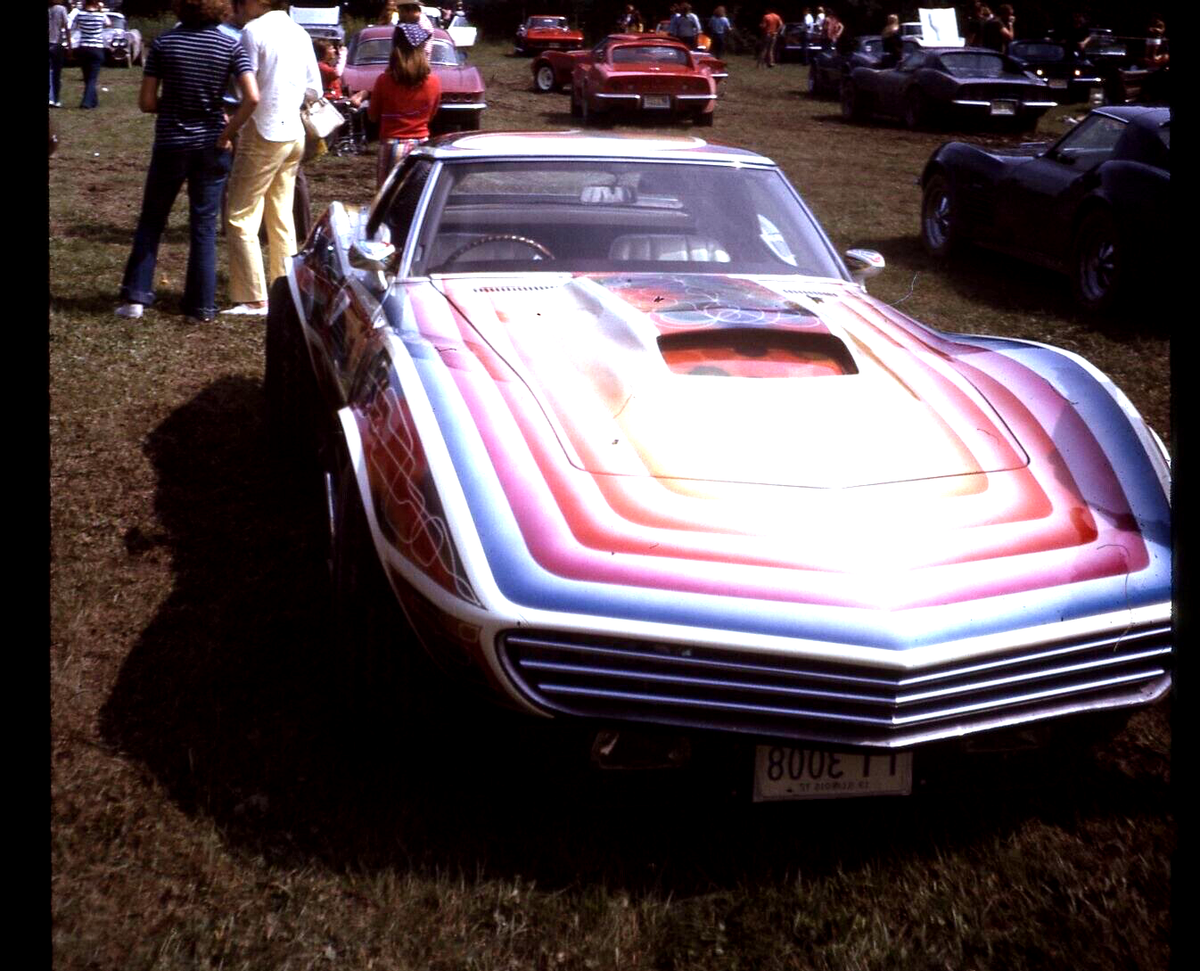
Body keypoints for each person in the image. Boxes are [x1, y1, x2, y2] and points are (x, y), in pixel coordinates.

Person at [115, 0, 257, 323]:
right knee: (204, 226)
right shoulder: (230, 44)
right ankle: (201, 305)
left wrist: (172, 104)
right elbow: (252, 97)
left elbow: (146, 102)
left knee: (152, 220)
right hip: (211, 144)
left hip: (171, 142)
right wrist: (227, 133)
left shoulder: (164, 43)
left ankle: (135, 297)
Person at [222, 0, 321, 317]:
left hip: (263, 131)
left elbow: (245, 90)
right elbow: (314, 89)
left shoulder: (253, 31)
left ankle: (253, 297)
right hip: (294, 134)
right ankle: (285, 288)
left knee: (240, 215)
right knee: (280, 215)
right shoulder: (299, 32)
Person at [368, 22, 440, 189]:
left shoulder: (384, 81)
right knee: (416, 195)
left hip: (392, 145)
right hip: (421, 145)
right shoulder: (434, 82)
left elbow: (372, 116)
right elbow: (431, 115)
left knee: (389, 197)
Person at [315, 38, 367, 154]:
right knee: (363, 94)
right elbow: (337, 73)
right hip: (330, 99)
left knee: (365, 92)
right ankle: (355, 102)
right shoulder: (321, 66)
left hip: (336, 98)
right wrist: (343, 55)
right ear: (324, 52)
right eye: (331, 48)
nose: (334, 50)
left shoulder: (327, 65)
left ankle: (356, 101)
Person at [74, 0, 106, 109]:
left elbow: (74, 24)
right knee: (92, 78)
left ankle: (94, 101)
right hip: (96, 48)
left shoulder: (80, 14)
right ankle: (86, 102)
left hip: (83, 47)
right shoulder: (100, 15)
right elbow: (108, 23)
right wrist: (101, 10)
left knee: (87, 77)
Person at [49, 1, 71, 108]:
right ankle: (56, 99)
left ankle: (50, 97)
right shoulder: (61, 9)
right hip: (56, 43)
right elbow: (67, 26)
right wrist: (69, 44)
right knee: (56, 73)